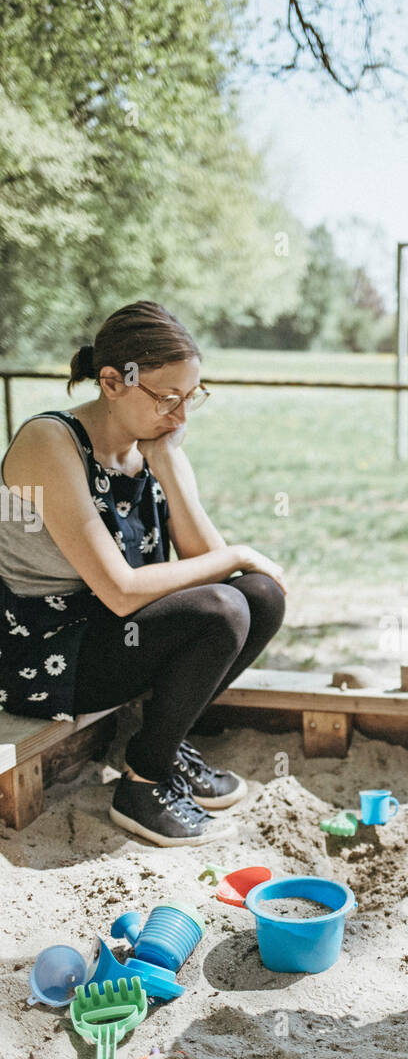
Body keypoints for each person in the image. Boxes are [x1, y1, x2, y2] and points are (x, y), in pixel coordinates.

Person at [0, 300, 287, 847]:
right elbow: (123, 591)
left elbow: (214, 570)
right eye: (167, 399)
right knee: (224, 607)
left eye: (191, 398)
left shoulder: (150, 446)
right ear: (112, 381)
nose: (179, 417)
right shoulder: (49, 442)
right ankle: (144, 782)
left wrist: (171, 470)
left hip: (111, 633)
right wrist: (239, 552)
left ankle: (166, 746)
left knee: (260, 597)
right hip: (47, 653)